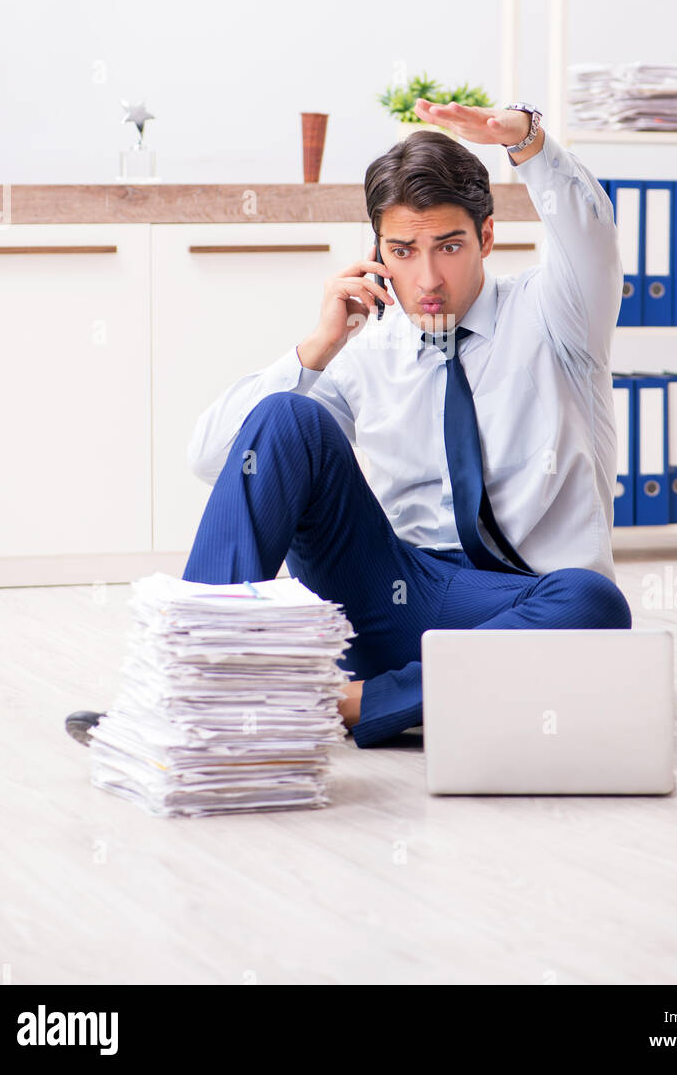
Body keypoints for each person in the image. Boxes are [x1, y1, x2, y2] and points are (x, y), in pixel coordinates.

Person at [66, 98, 631, 753]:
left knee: (594, 606)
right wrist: (316, 347)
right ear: (377, 253)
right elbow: (212, 457)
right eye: (403, 251)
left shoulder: (556, 313)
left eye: (448, 246)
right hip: (391, 591)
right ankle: (189, 689)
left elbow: (590, 237)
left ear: (485, 237)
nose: (427, 278)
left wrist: (530, 143)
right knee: (285, 415)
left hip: (517, 605)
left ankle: (344, 705)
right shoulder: (367, 348)